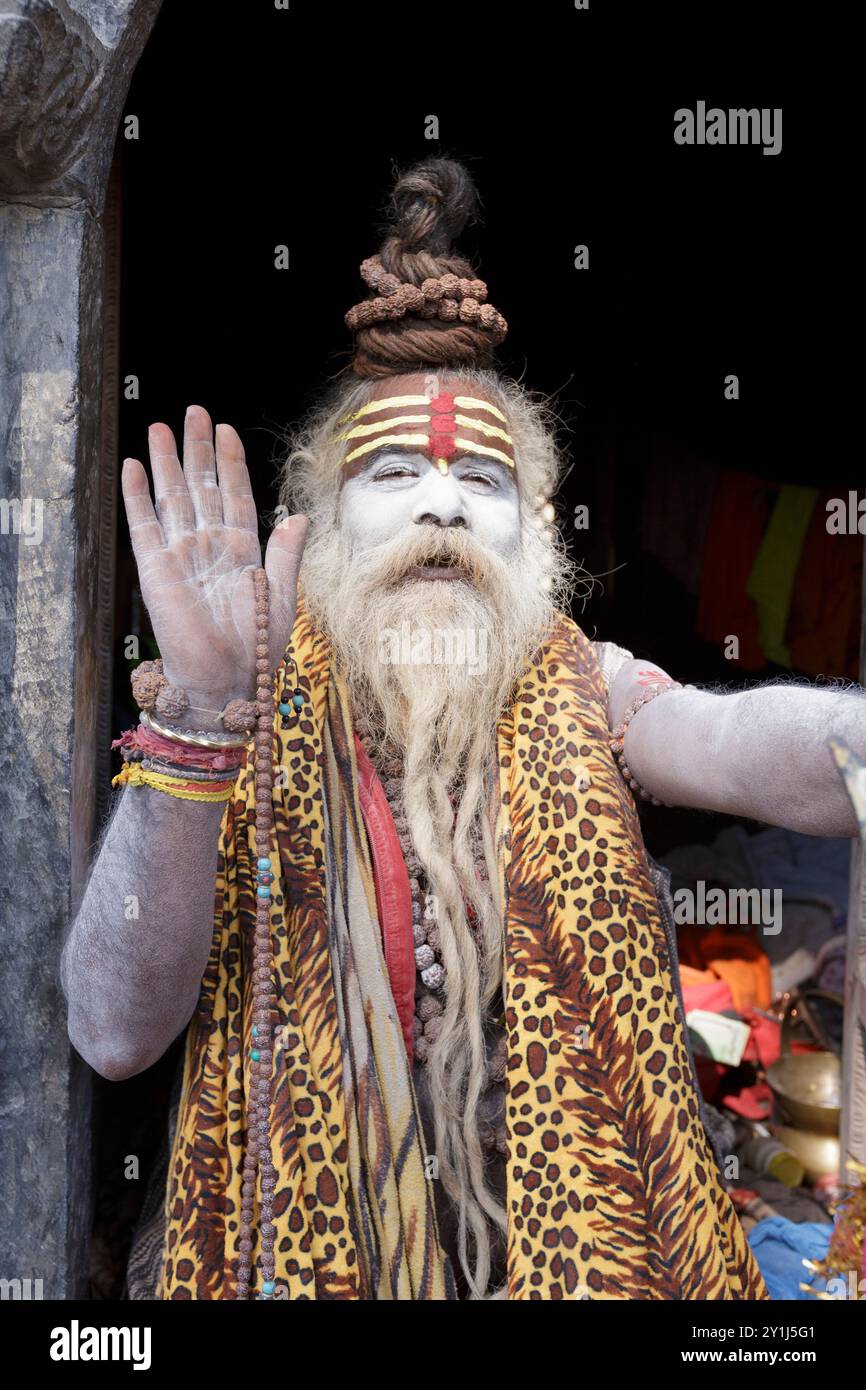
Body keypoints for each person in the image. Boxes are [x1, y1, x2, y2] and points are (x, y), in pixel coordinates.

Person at [62, 158, 863, 1301]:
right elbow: (111, 1033)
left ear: (528, 533)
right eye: (394, 470)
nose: (441, 502)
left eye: (478, 479)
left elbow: (745, 750)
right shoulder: (238, 697)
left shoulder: (576, 678)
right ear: (323, 516)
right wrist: (194, 708)